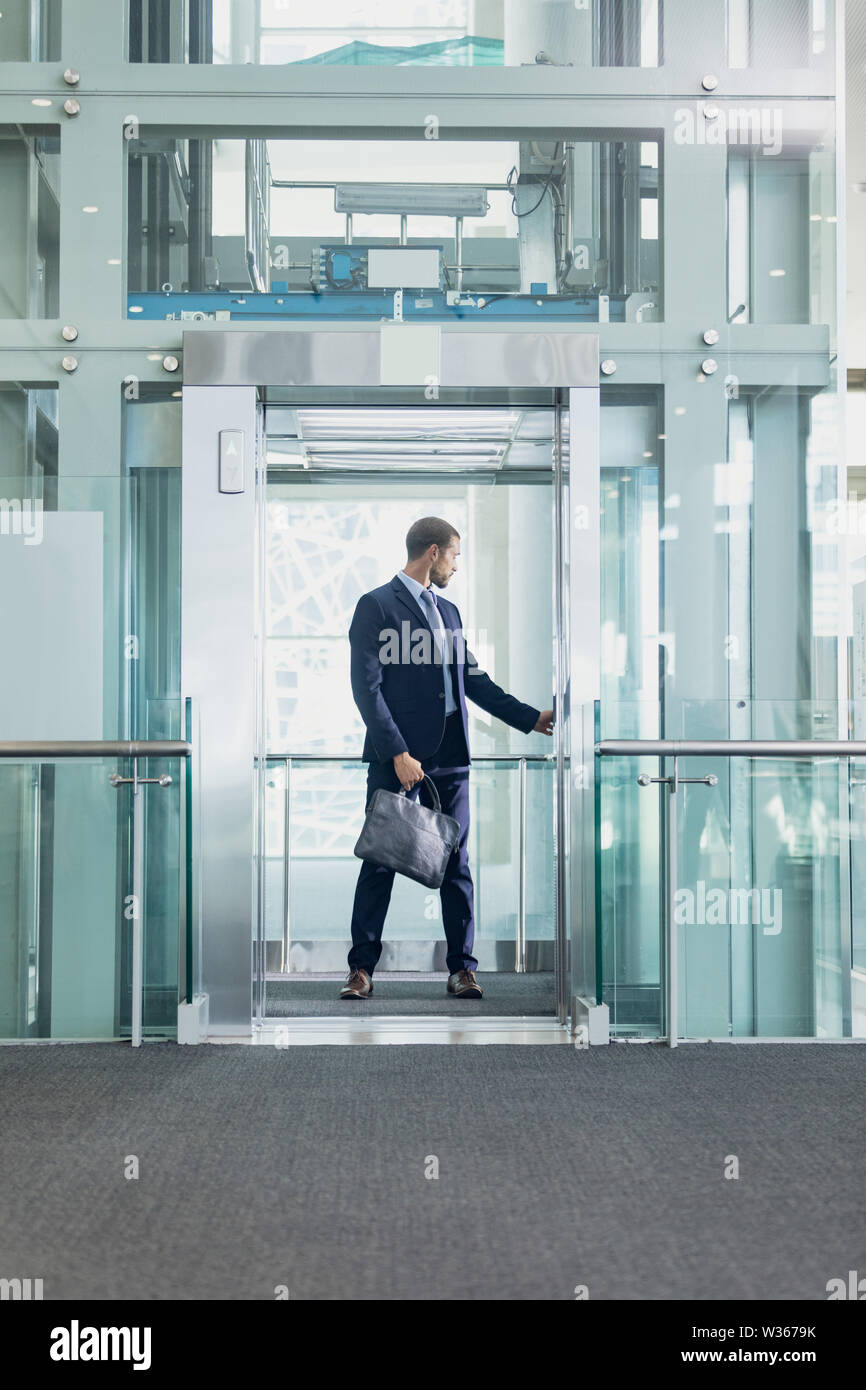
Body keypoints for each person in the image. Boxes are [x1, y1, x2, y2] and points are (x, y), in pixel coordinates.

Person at [342, 516, 554, 1000]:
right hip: (398, 759)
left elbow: (472, 681)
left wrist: (529, 717)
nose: (457, 566)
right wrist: (397, 752)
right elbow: (366, 689)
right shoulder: (375, 606)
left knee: (457, 865)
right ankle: (361, 971)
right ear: (433, 552)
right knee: (380, 862)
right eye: (455, 556)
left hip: (451, 759)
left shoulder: (450, 613)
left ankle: (462, 970)